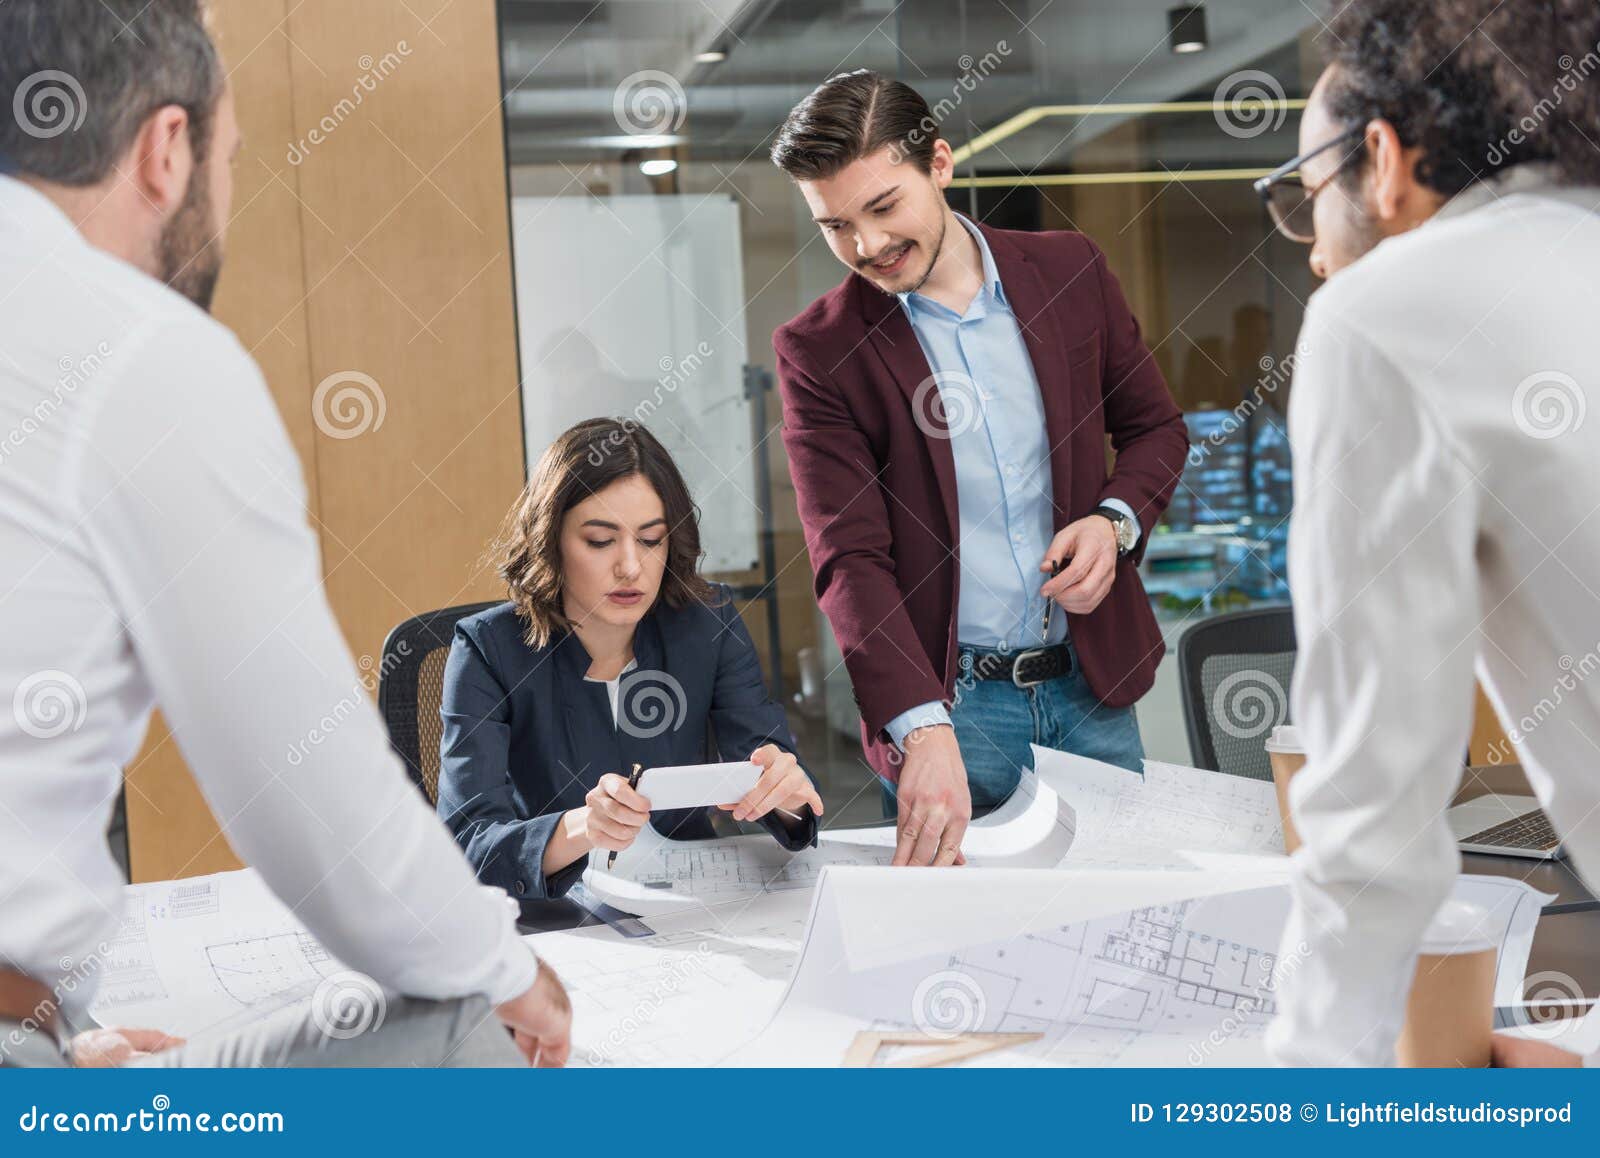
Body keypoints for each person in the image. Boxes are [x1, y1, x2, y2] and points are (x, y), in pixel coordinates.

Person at [0, 0, 569, 1068]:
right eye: (232, 160)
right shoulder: (133, 347)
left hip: (39, 1037)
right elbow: (323, 820)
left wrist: (60, 1034)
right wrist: (509, 972)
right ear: (168, 150)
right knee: (472, 1026)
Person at [1258, 0, 1600, 1067]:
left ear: (1381, 160)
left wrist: (1303, 1100)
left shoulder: (1388, 313)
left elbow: (1375, 816)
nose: (1317, 256)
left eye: (1305, 197)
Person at [769, 70, 1189, 867]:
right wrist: (921, 727)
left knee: (1125, 926)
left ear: (939, 163)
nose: (868, 247)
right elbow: (849, 559)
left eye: (884, 207)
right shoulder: (820, 352)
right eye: (836, 226)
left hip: (1093, 690)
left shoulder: (1070, 272)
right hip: (948, 714)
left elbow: (1155, 430)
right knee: (957, 941)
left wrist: (1114, 523)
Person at [437, 420, 821, 900]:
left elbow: (771, 770)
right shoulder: (488, 649)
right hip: (554, 914)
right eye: (600, 541)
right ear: (550, 540)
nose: (631, 567)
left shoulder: (709, 624)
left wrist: (785, 795)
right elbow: (468, 845)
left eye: (651, 539)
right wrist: (584, 827)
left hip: (691, 903)